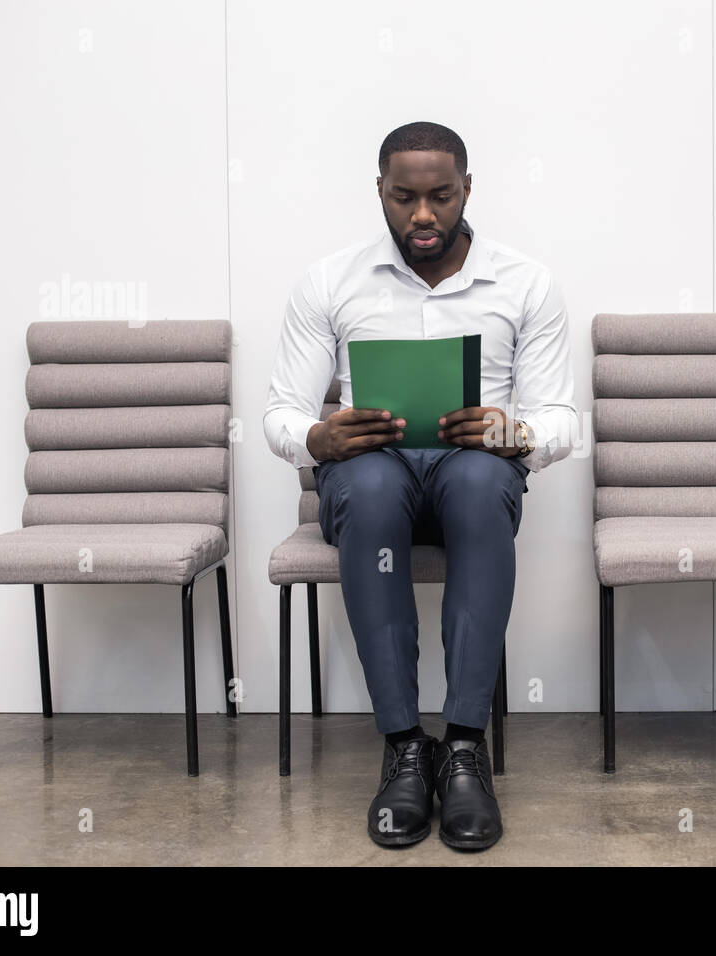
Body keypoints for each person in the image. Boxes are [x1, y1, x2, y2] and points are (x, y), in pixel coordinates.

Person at [263, 121, 578, 850]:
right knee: (369, 491)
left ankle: (465, 748)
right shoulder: (330, 282)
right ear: (380, 192)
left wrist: (515, 433)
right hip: (373, 476)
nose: (424, 215)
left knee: (475, 484)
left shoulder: (526, 283)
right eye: (404, 198)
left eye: (441, 196)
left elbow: (562, 417)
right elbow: (280, 410)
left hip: (474, 473)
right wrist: (318, 436)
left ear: (468, 188)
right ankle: (405, 746)